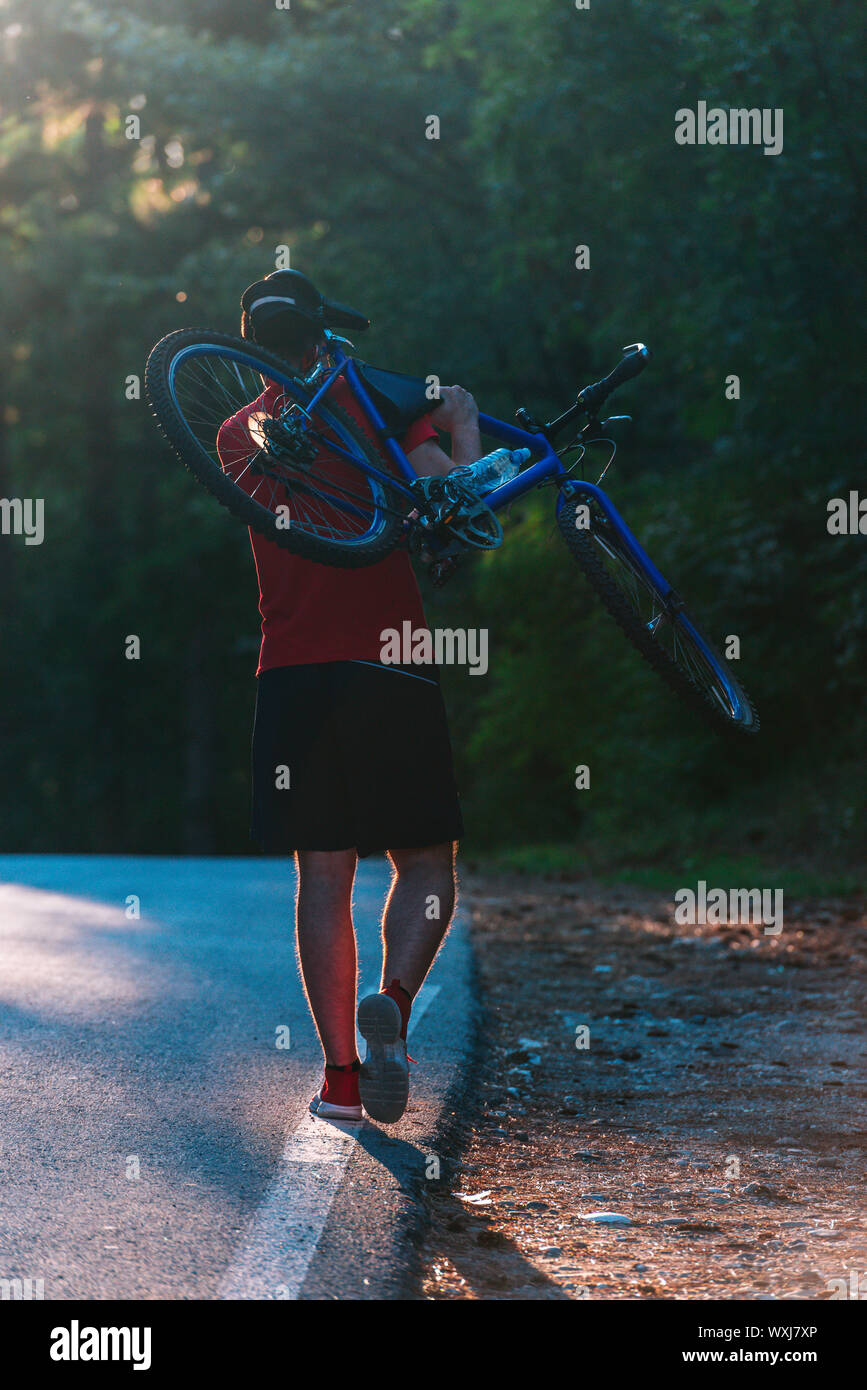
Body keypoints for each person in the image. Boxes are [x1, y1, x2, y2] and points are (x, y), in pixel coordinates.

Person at [216, 269, 482, 1123]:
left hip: (292, 671)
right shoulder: (373, 406)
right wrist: (462, 422)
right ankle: (393, 1010)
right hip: (389, 661)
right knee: (426, 863)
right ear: (320, 334)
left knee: (323, 878)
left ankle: (338, 1081)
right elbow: (458, 504)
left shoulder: (231, 435)